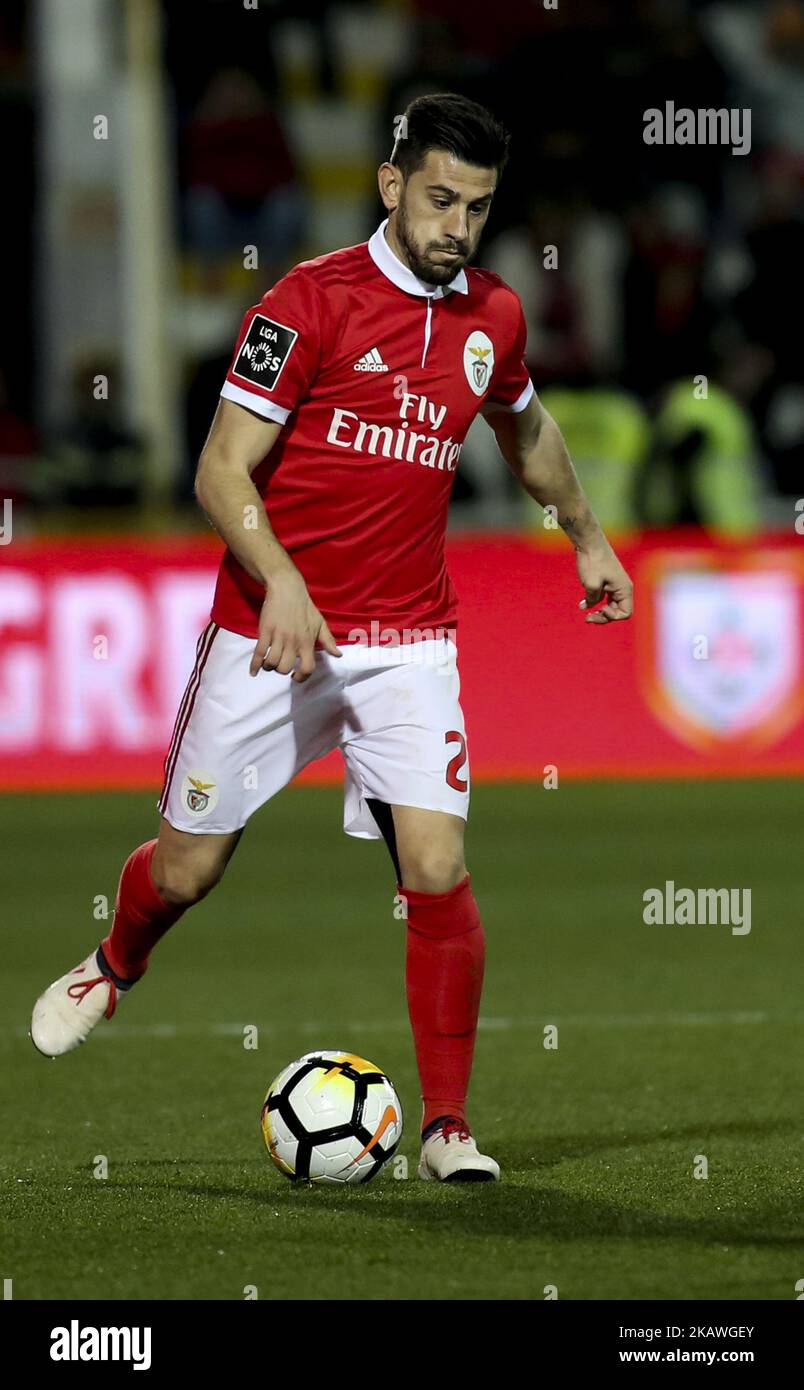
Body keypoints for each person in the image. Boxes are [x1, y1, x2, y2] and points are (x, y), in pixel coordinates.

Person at [31, 94, 632, 1183]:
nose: (458, 225)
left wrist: (585, 533)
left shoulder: (493, 317)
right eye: (442, 198)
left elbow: (526, 425)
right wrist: (285, 584)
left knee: (438, 866)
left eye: (480, 208)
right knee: (186, 868)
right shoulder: (308, 303)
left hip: (411, 639)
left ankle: (446, 1125)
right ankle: (115, 963)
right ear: (392, 186)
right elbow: (219, 468)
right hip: (272, 629)